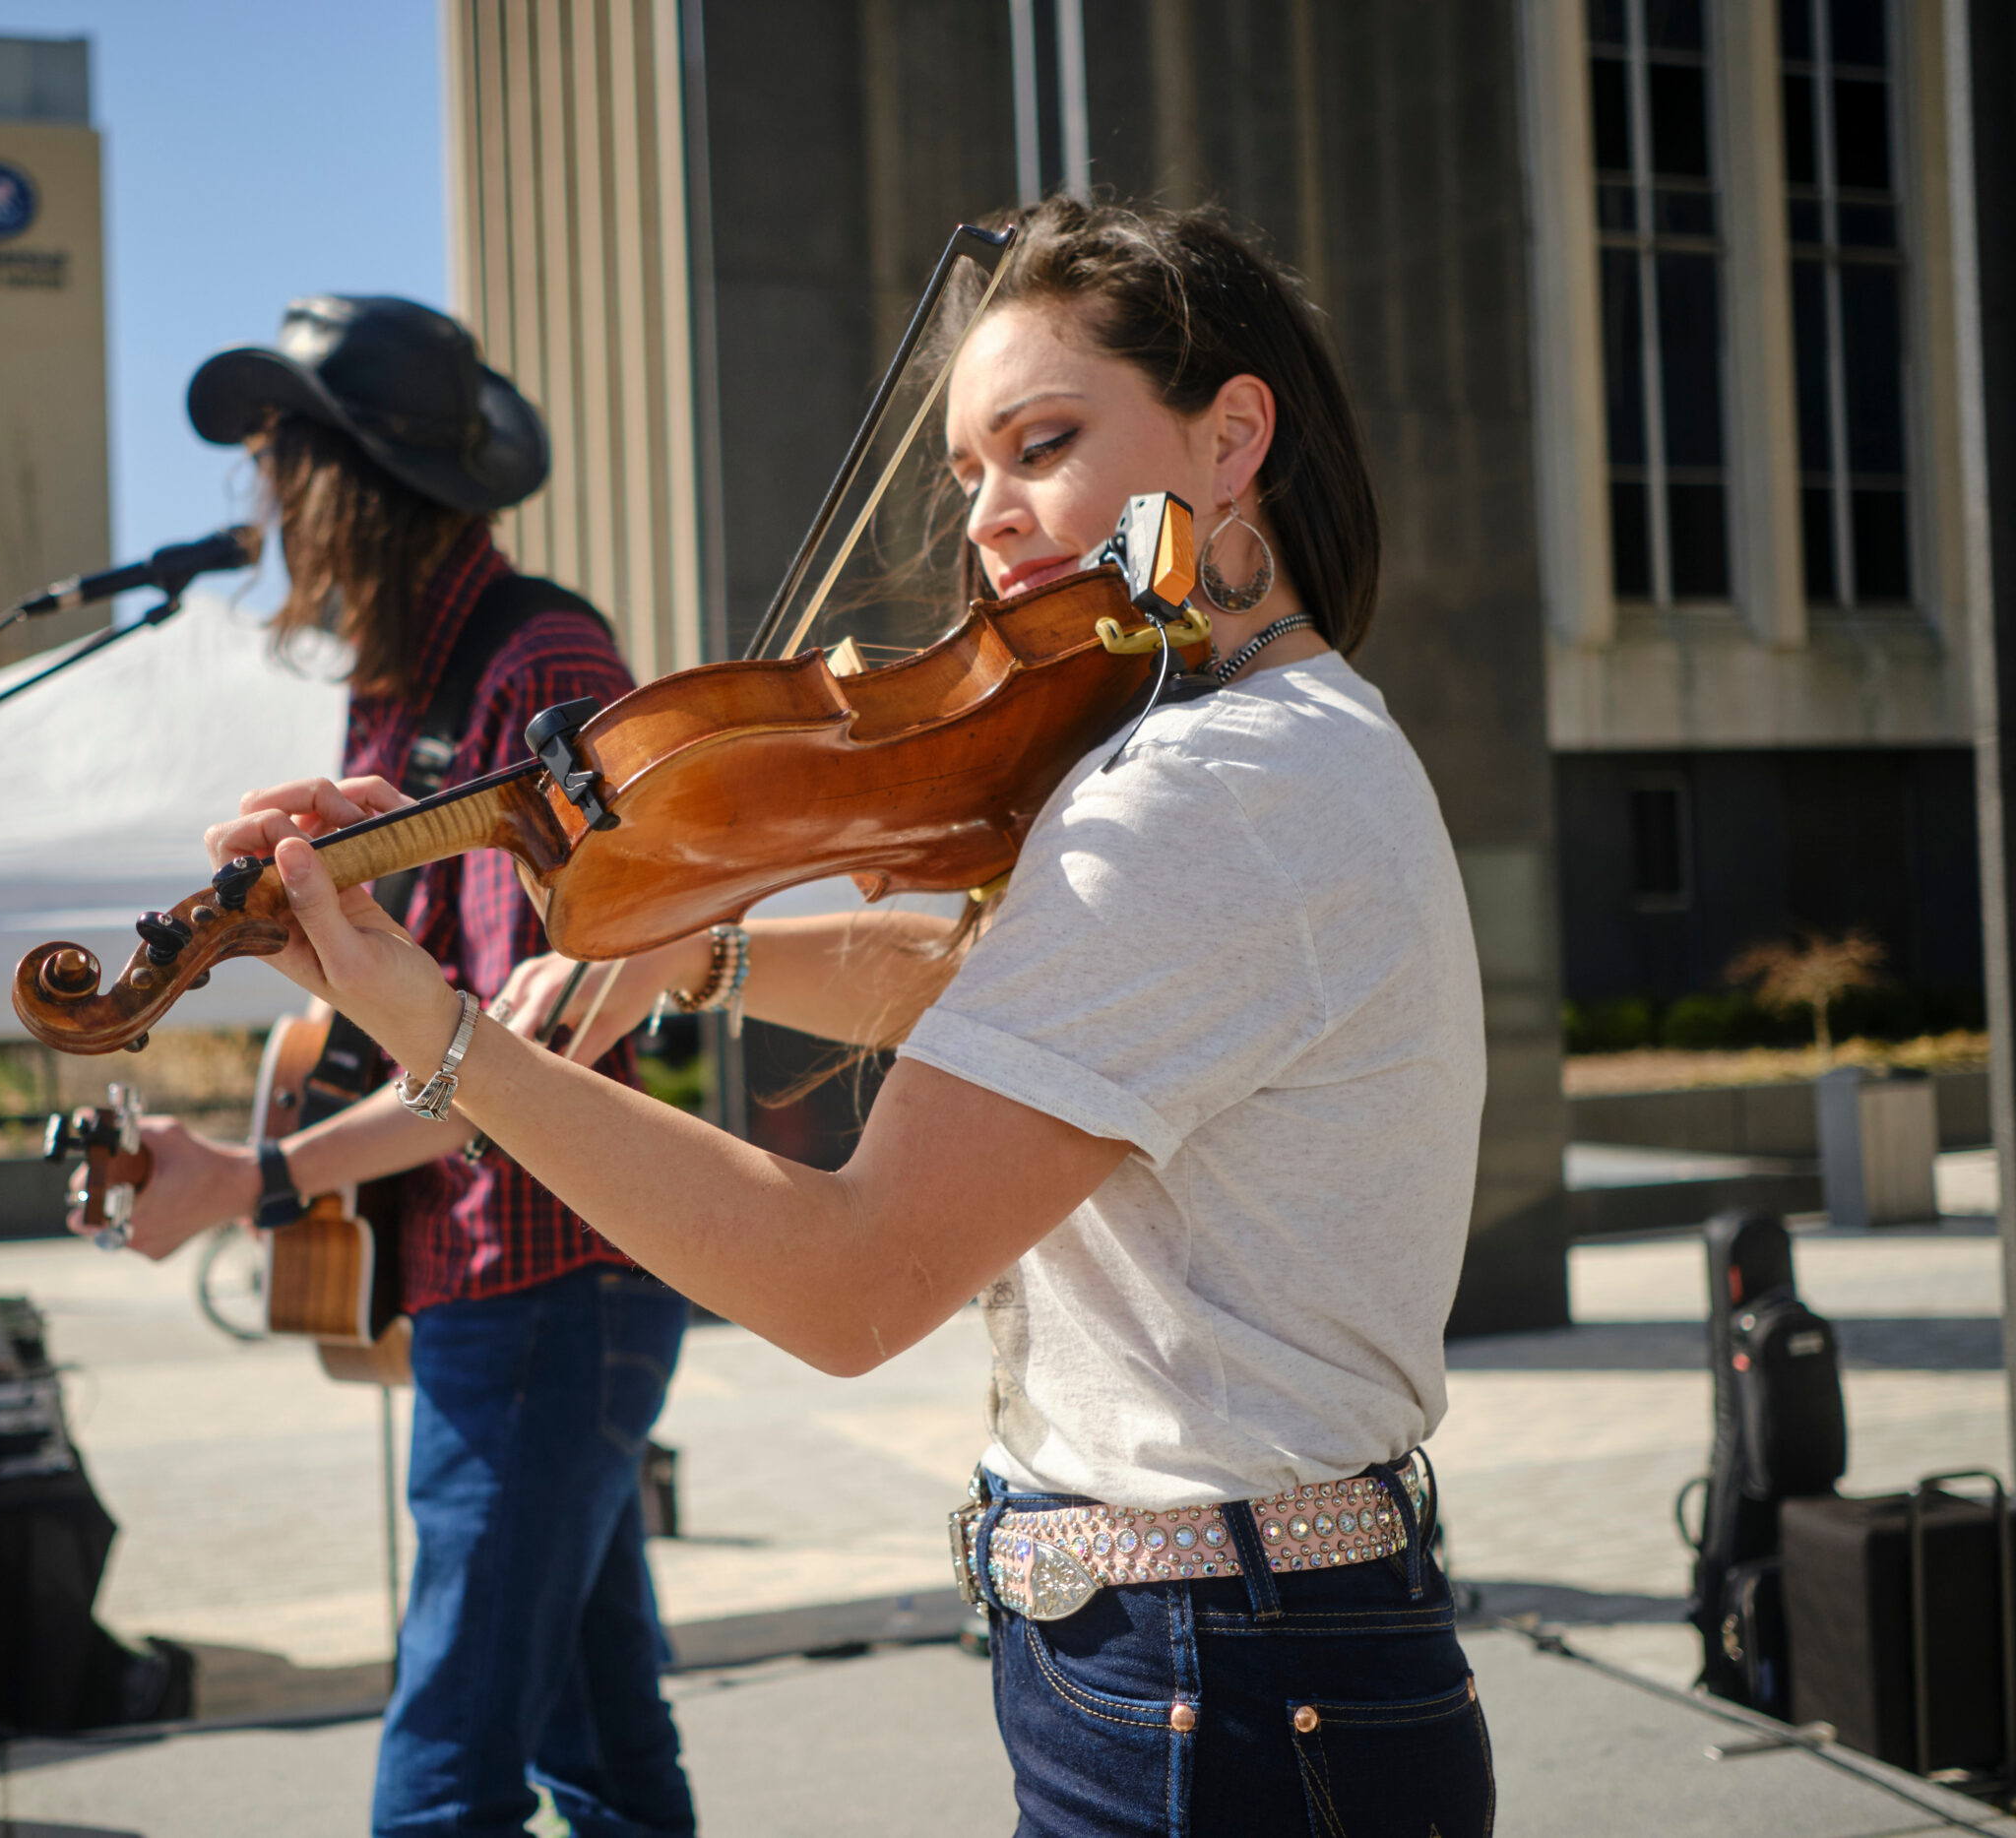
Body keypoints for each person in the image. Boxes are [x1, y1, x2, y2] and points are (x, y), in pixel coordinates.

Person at [208, 200, 1495, 1835]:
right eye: (967, 475)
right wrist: (706, 953)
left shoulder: (1204, 792)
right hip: (1248, 1658)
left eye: (1043, 444)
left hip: (1219, 1683)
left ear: (1233, 433)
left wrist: (436, 1026)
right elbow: (999, 1009)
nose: (992, 525)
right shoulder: (1282, 745)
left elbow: (849, 1279)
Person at [93, 295, 697, 1838]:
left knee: (441, 1777)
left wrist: (261, 1176)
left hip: (546, 1282)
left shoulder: (537, 657)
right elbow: (415, 1016)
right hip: (500, 1285)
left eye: (279, 459)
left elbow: (514, 1052)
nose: (258, 499)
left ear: (346, 481)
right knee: (604, 1752)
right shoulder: (397, 691)